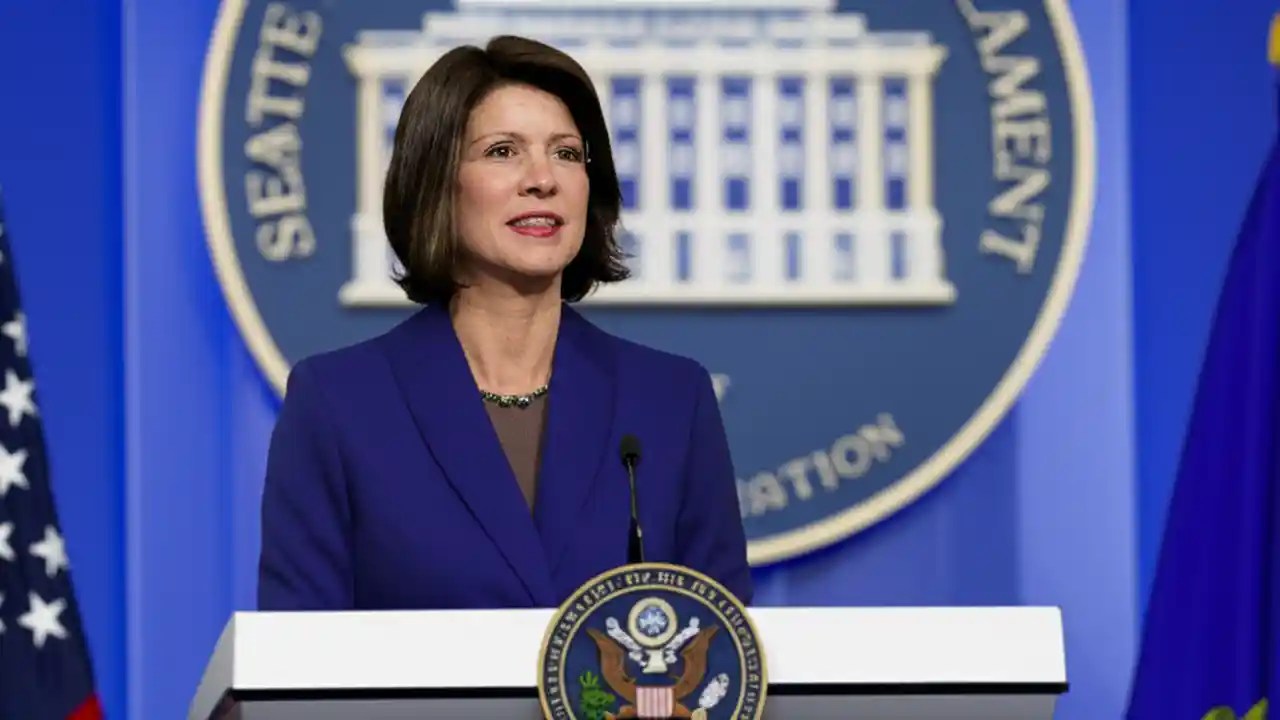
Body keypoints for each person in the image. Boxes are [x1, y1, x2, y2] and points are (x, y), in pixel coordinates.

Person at [256, 35, 752, 612]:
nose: (543, 179)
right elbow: (295, 661)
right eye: (502, 152)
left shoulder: (669, 400)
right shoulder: (341, 404)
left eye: (566, 153)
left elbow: (722, 650)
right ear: (438, 182)